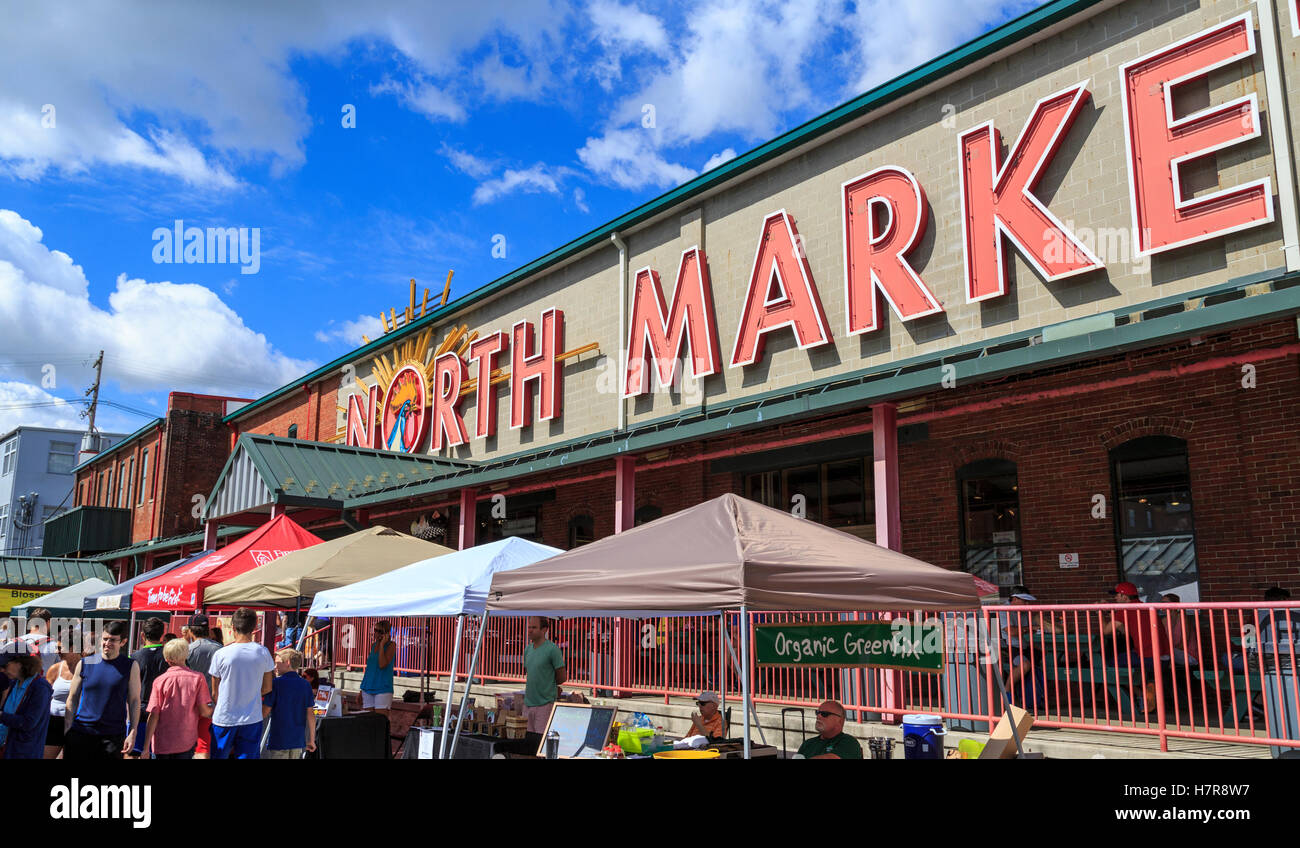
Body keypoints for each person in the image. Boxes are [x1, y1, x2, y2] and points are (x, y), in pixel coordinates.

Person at [63, 620, 141, 759]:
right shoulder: (85, 663)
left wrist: (133, 731)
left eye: (113, 640)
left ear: (123, 642)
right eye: (105, 639)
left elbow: (134, 700)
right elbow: (72, 697)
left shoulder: (130, 666)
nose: (107, 643)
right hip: (81, 731)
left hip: (112, 736)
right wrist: (68, 728)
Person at [208, 608, 274, 759]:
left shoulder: (221, 653)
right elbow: (267, 687)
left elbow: (214, 692)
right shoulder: (263, 652)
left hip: (224, 716)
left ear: (233, 627)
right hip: (251, 717)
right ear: (255, 627)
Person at [1098, 581, 1169, 716]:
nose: (1115, 598)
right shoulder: (1144, 607)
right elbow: (1126, 632)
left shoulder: (1125, 610)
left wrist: (1100, 612)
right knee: (1127, 659)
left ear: (1125, 597)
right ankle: (1147, 687)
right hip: (1164, 656)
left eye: (1117, 595)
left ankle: (1141, 693)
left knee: (1112, 665)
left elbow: (1105, 631)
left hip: (1148, 658)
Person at [141, 638, 212, 759]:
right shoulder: (198, 678)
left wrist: (146, 747)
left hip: (161, 742)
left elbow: (153, 715)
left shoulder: (160, 681)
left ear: (166, 659)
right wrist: (214, 709)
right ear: (186, 655)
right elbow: (204, 711)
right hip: (186, 740)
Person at [262, 648, 315, 759]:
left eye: (277, 663)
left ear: (287, 663)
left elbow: (265, 712)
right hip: (297, 740)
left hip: (279, 739)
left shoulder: (276, 683)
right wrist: (312, 739)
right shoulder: (306, 685)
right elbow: (311, 714)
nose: (275, 667)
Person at [128, 617, 169, 758]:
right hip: (163, 711)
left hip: (139, 710)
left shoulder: (133, 657)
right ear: (162, 635)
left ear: (142, 635)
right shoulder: (169, 656)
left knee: (132, 752)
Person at [184, 613, 223, 758]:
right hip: (214, 703)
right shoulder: (220, 649)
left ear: (190, 630)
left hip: (190, 704)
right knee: (205, 743)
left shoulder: (188, 650)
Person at [0, 652, 53, 758]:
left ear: (20, 663)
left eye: (6, 666)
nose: (2, 670)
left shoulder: (40, 687)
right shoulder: (14, 683)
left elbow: (29, 722)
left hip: (24, 752)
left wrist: (1, 716)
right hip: (7, 750)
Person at [523, 617, 566, 734]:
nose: (530, 630)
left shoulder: (552, 649)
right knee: (527, 740)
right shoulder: (527, 649)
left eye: (534, 627)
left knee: (540, 741)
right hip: (528, 704)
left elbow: (562, 677)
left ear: (544, 630)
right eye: (529, 627)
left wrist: (549, 685)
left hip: (545, 705)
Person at [44, 644, 83, 758]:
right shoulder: (55, 669)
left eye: (60, 648)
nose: (57, 651)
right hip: (54, 721)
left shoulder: (88, 668)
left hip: (78, 723)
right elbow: (45, 697)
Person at [796, 700, 862, 759]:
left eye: (824, 714)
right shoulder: (808, 743)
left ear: (840, 720)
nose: (818, 716)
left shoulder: (849, 742)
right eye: (817, 712)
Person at [359, 620, 396, 719]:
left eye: (380, 631)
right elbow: (369, 669)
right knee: (367, 720)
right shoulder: (373, 645)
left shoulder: (391, 645)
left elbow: (382, 664)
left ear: (386, 633)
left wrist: (382, 646)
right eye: (375, 630)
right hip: (368, 687)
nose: (376, 633)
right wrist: (361, 689)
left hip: (382, 687)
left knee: (380, 720)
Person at [20, 608, 58, 673]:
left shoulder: (15, 642)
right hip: (45, 681)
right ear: (48, 622)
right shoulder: (55, 645)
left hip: (20, 682)